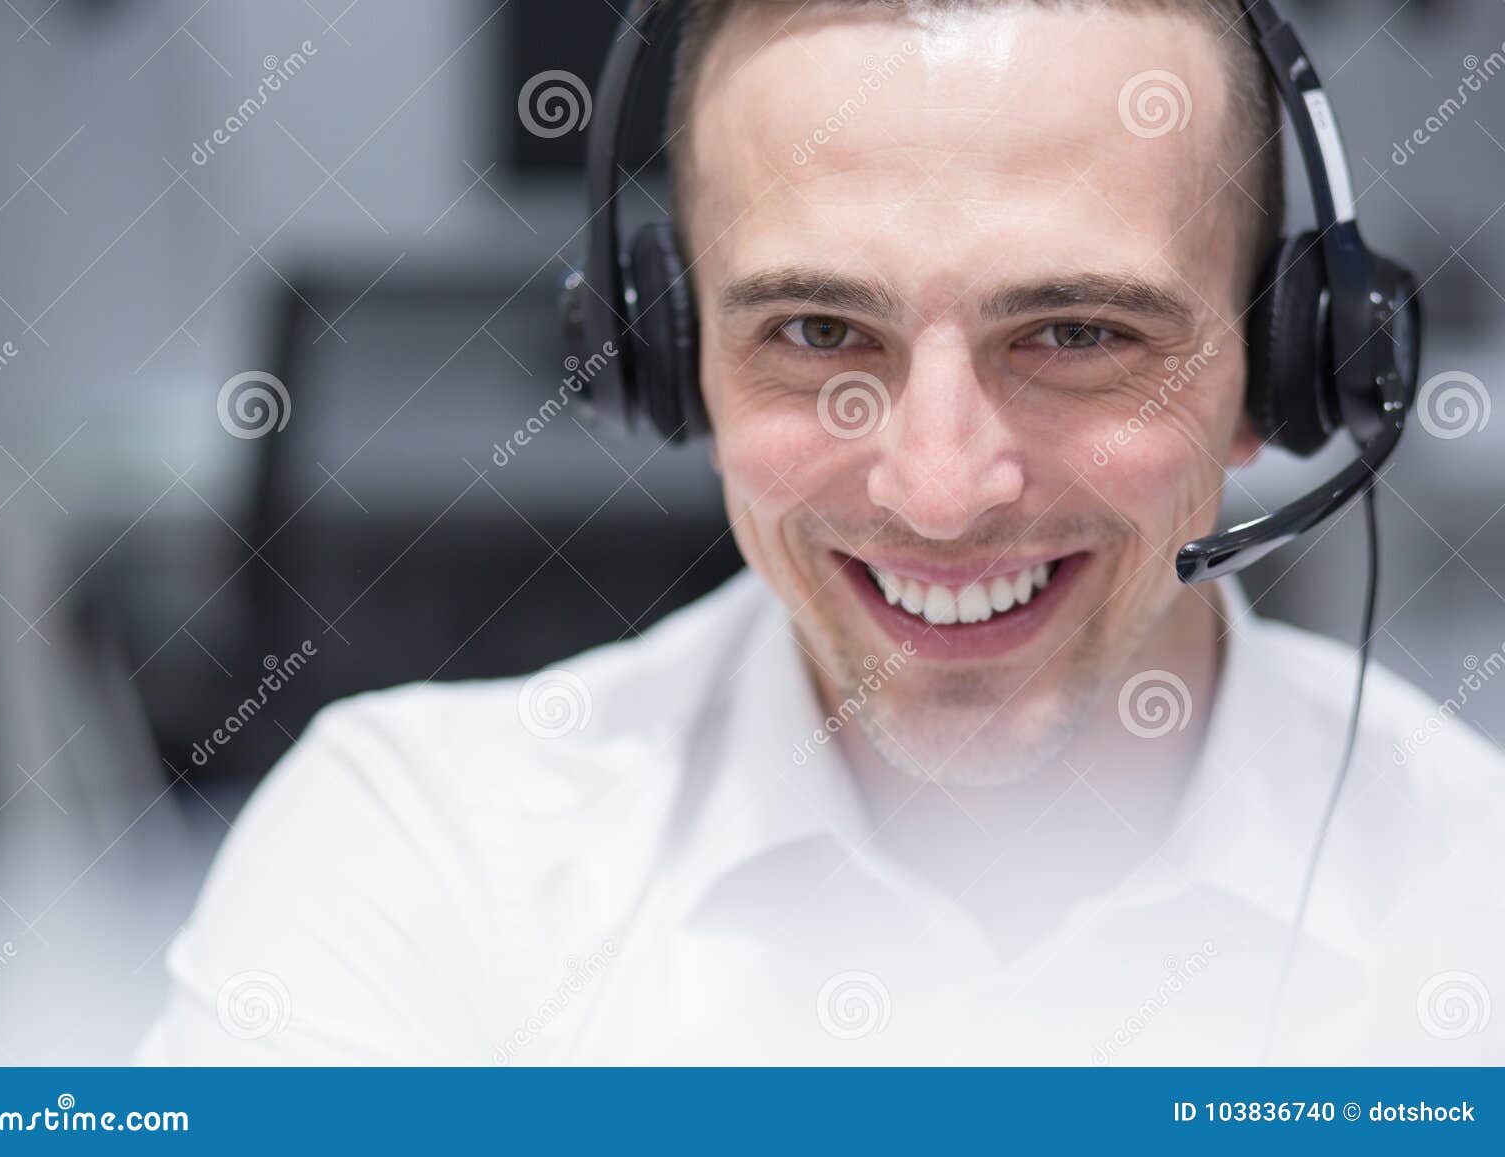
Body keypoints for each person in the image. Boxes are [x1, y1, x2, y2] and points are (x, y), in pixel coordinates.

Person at [140, 0, 1504, 1064]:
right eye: (816, 332)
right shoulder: (413, 856)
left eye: (1078, 333)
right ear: (665, 361)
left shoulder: (1471, 907)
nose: (941, 489)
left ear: (1284, 370)